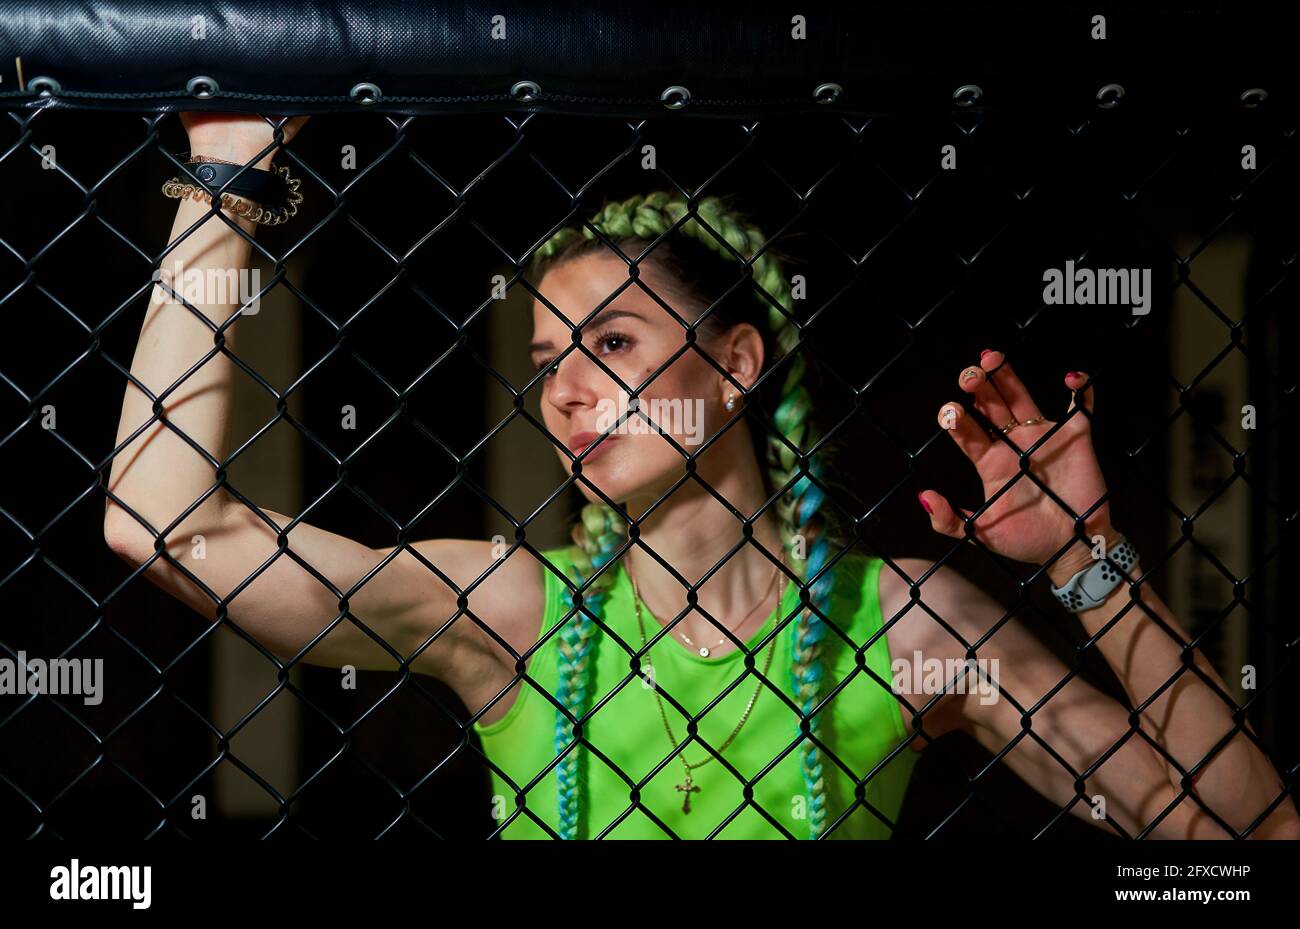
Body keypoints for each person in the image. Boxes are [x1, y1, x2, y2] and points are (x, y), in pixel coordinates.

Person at [104, 113, 1300, 840]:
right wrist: (226, 183)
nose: (565, 390)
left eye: (612, 343)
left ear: (736, 362)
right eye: (545, 362)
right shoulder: (517, 614)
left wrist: (1092, 559)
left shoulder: (904, 621)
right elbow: (161, 525)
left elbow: (1235, 831)